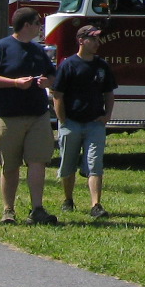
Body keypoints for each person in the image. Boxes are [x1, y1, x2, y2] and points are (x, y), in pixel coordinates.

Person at [0, 6, 58, 225]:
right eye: (37, 23)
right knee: (10, 165)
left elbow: (51, 74)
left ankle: (37, 209)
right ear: (26, 25)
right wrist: (14, 83)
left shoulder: (37, 50)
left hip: (37, 116)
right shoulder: (1, 47)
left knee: (37, 162)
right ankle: (8, 211)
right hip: (6, 115)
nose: (39, 27)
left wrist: (46, 82)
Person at [52, 25, 117, 218]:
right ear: (81, 40)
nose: (98, 43)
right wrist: (63, 120)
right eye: (93, 39)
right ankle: (68, 199)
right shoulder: (69, 65)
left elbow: (109, 93)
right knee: (68, 164)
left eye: (98, 39)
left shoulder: (102, 66)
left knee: (95, 164)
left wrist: (107, 116)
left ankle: (96, 205)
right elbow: (57, 95)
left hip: (95, 124)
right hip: (71, 122)